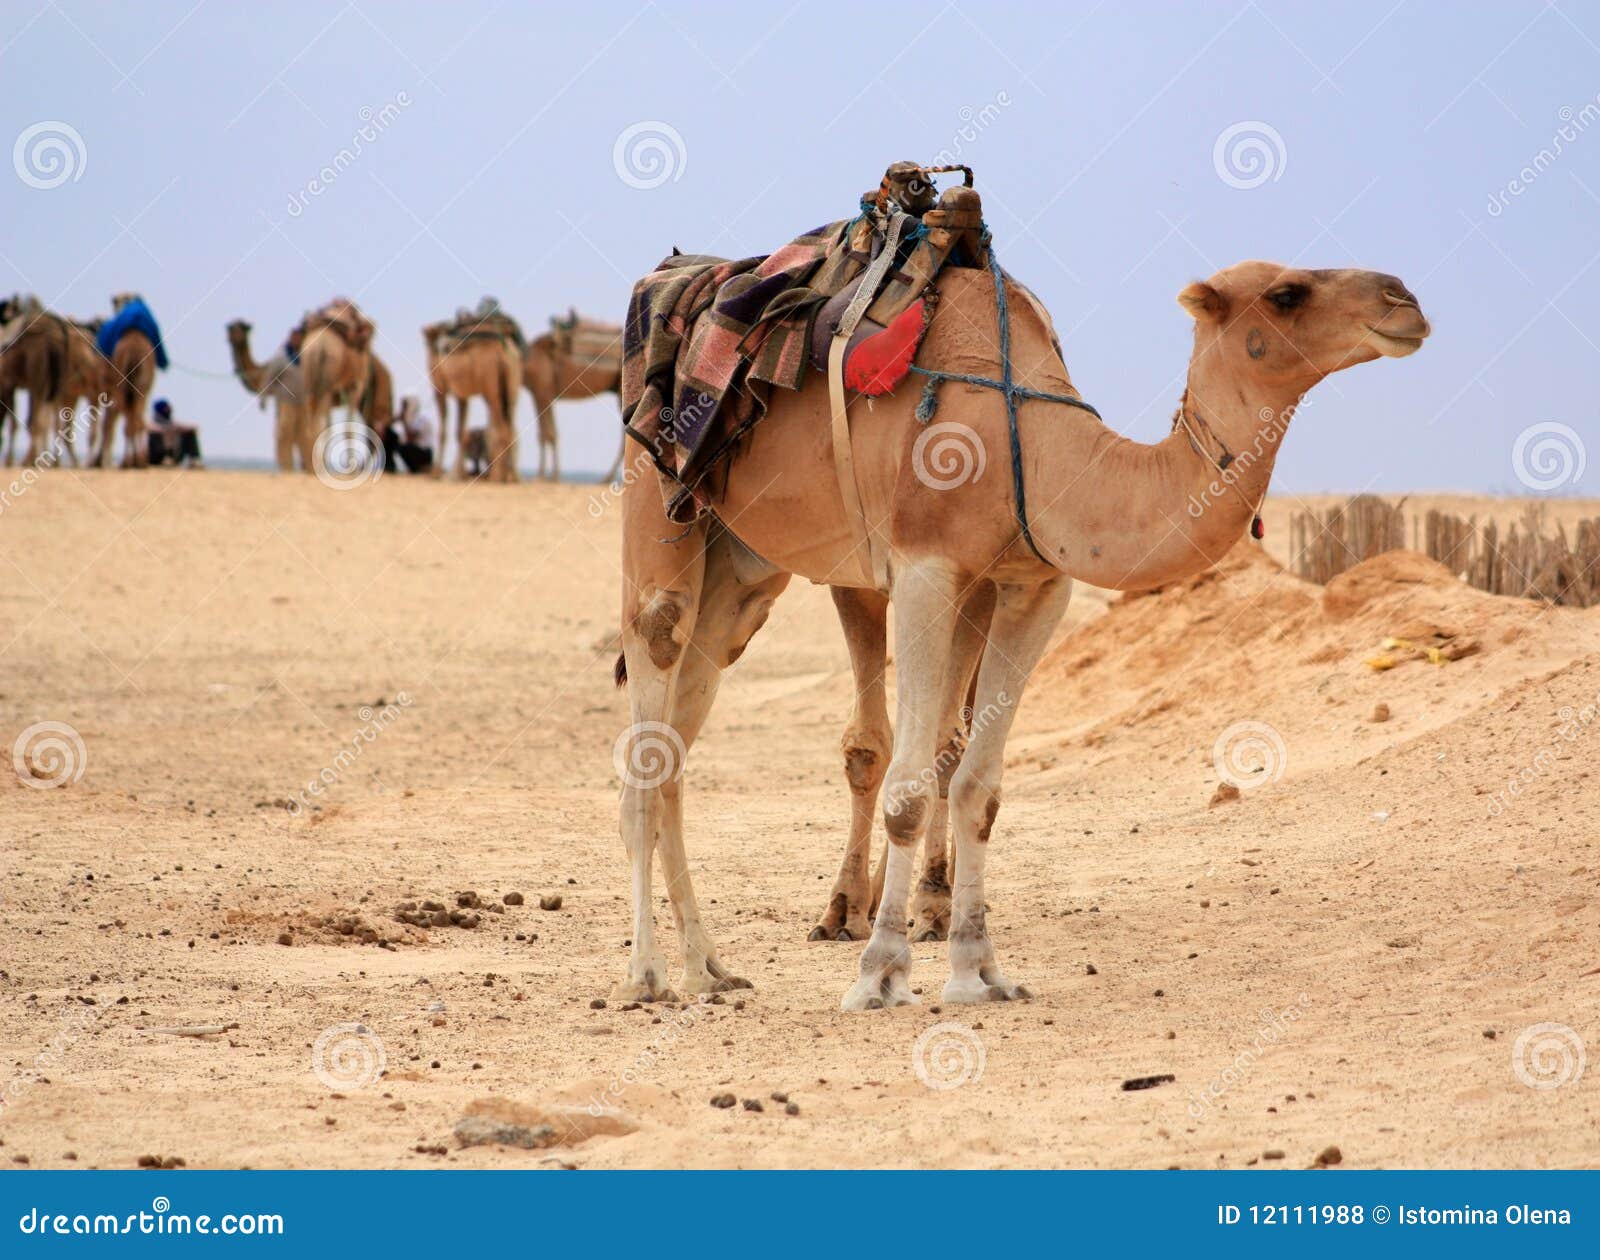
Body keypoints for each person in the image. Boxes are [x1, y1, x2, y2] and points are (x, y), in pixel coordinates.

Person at [147, 398, 204, 468]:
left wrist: (176, 430)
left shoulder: (172, 423)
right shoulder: (152, 424)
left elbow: (194, 428)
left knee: (189, 433)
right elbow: (152, 429)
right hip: (158, 456)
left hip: (174, 452)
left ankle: (195, 460)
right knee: (155, 436)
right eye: (166, 408)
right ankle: (164, 459)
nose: (169, 410)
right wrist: (169, 431)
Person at [382, 396, 433, 473]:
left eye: (405, 406)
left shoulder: (421, 420)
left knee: (403, 447)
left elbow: (410, 438)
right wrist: (393, 420)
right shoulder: (409, 419)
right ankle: (389, 465)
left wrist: (404, 421)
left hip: (424, 453)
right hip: (415, 450)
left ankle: (419, 468)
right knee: (391, 435)